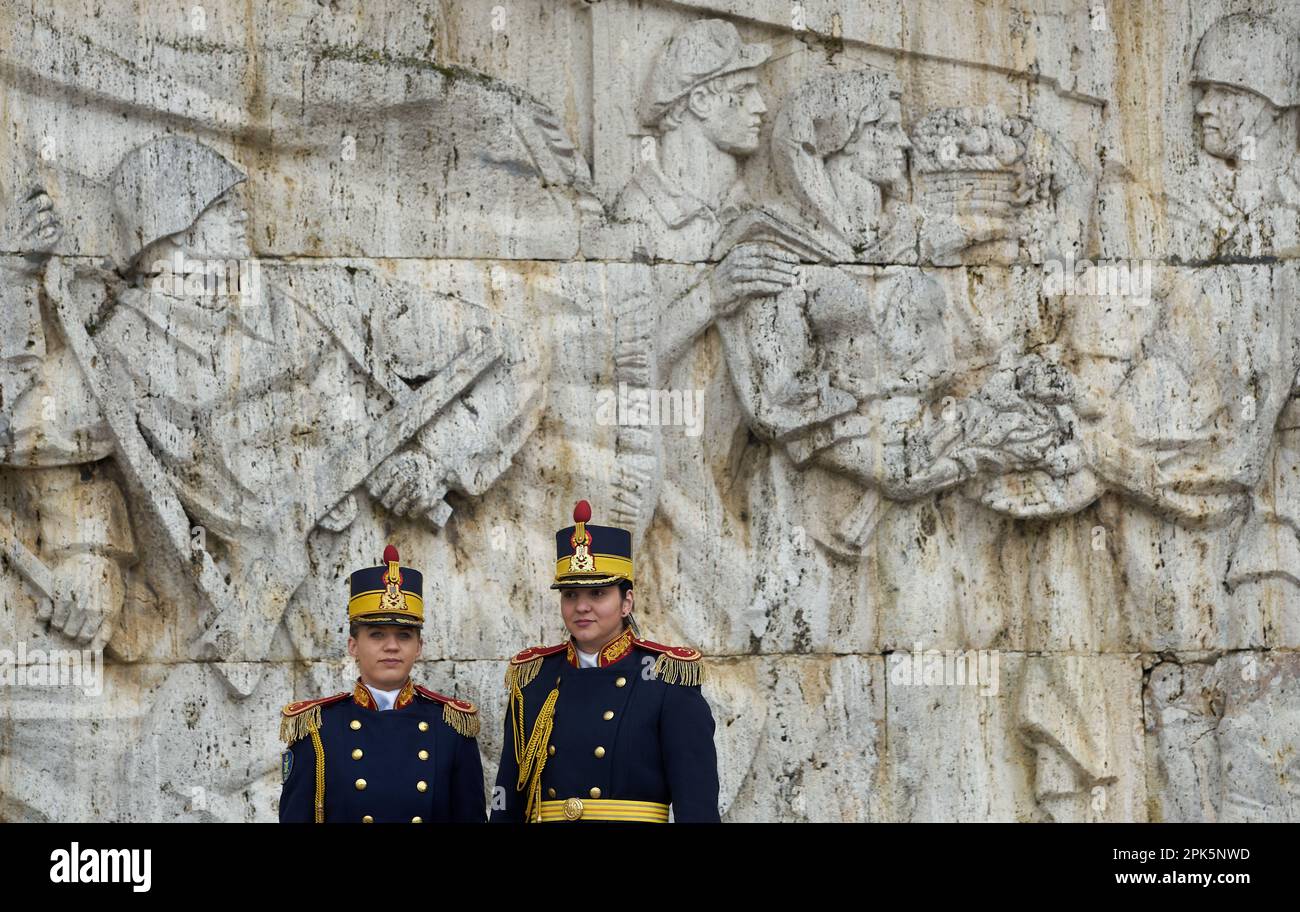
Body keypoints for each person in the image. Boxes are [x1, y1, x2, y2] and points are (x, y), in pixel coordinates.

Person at [490, 500, 719, 822]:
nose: (581, 607)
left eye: (597, 594)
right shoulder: (534, 679)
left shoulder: (668, 679)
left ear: (627, 602)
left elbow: (697, 805)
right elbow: (509, 796)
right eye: (570, 595)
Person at [278, 544, 485, 822]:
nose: (391, 646)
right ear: (353, 645)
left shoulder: (451, 729)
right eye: (376, 635)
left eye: (404, 635)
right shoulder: (316, 731)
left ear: (419, 647)